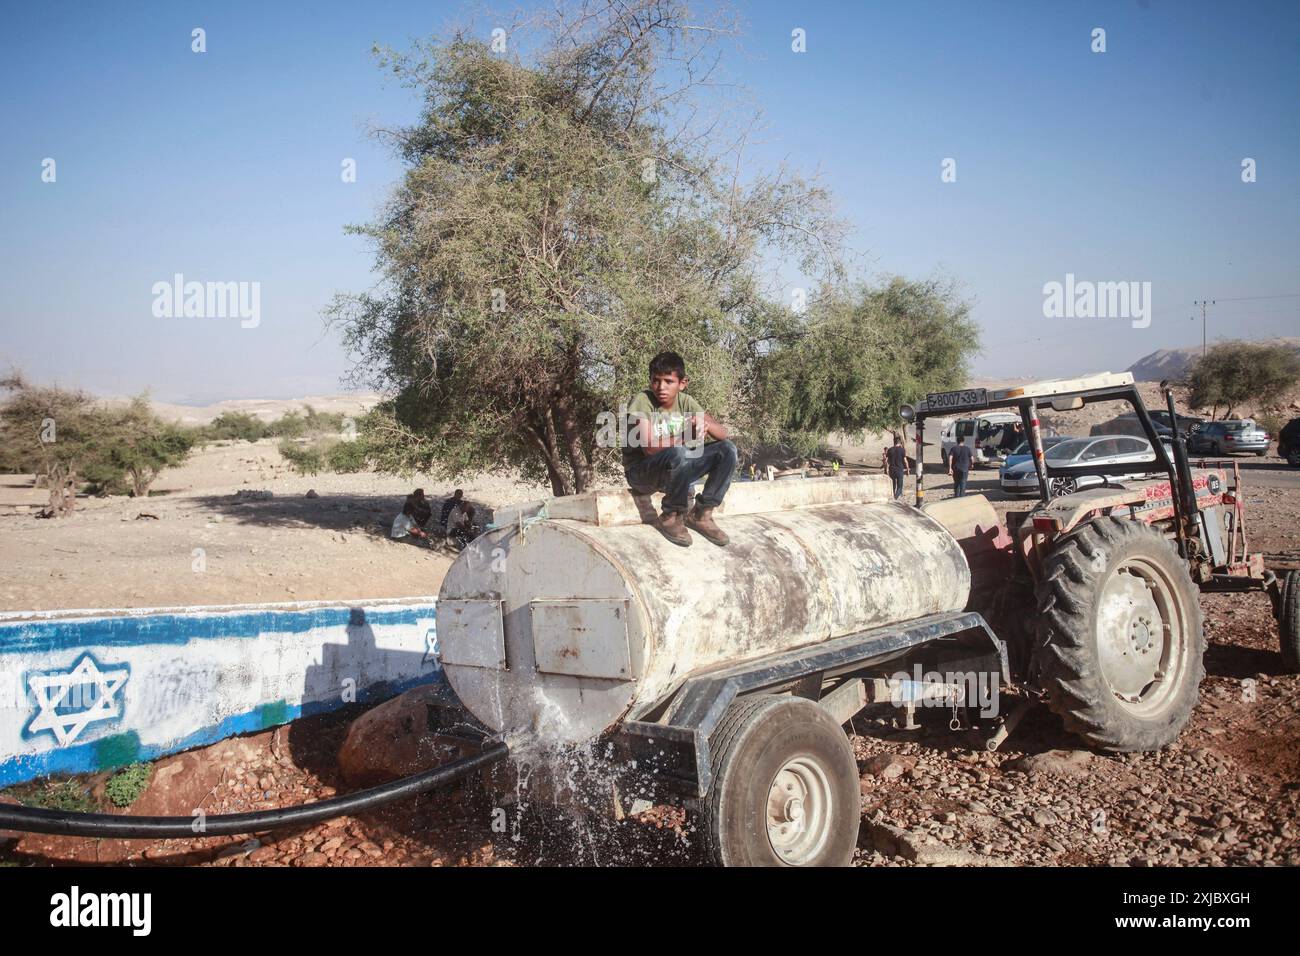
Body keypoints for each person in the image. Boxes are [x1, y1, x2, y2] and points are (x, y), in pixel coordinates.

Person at [621, 350, 737, 547]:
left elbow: (724, 434)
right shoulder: (642, 400)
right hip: (641, 473)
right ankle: (672, 516)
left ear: (682, 383)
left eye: (668, 381)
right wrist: (686, 435)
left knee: (727, 449)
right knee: (680, 452)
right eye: (656, 380)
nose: (661, 387)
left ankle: (702, 514)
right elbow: (650, 449)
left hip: (674, 472)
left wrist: (703, 424)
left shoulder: (686, 402)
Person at [885, 434, 909, 500]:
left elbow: (886, 461)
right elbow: (905, 461)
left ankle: (893, 495)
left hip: (892, 469)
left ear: (894, 442)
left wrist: (886, 470)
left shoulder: (890, 450)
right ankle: (895, 497)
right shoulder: (902, 450)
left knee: (893, 484)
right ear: (900, 442)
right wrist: (907, 470)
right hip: (899, 470)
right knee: (899, 486)